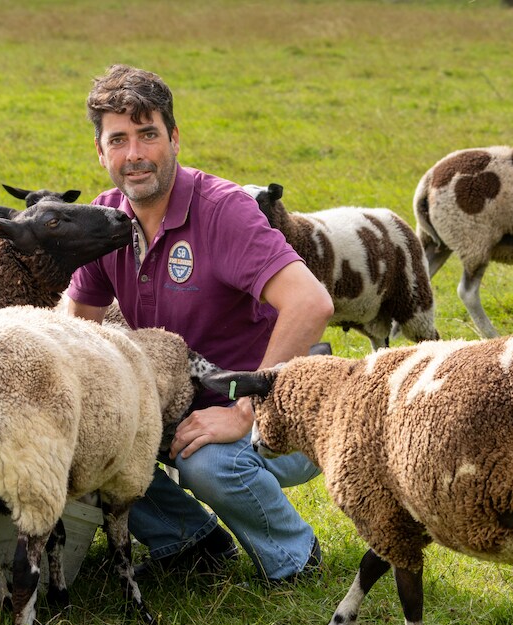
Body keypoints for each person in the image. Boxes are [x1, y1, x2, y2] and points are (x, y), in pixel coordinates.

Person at [65, 64, 335, 582]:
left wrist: (247, 409)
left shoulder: (223, 211)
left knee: (209, 463)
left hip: (283, 408)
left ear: (175, 138)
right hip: (176, 407)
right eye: (118, 140)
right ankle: (190, 542)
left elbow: (311, 303)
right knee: (90, 442)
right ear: (100, 153)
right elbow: (79, 330)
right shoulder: (104, 223)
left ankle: (295, 556)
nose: (135, 154)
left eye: (149, 135)